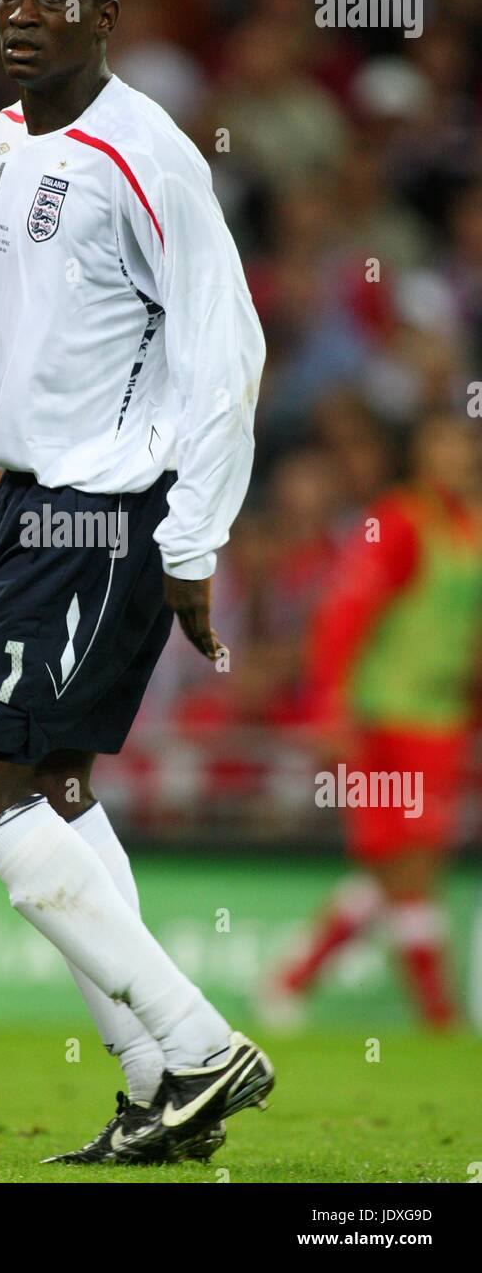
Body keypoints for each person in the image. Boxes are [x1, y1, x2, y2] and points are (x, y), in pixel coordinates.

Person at [0, 0, 271, 1165]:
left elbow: (230, 350)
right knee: (53, 791)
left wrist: (194, 538)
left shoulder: (145, 153)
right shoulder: (3, 141)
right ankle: (163, 1089)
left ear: (106, 17)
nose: (24, 11)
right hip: (29, 506)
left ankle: (198, 1045)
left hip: (106, 519)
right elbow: (17, 362)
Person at [266, 414, 482, 1028]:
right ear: (420, 455)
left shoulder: (469, 528)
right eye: (445, 445)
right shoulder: (396, 523)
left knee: (401, 866)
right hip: (384, 719)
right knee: (408, 866)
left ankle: (292, 980)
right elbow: (342, 615)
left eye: (466, 447)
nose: (459, 459)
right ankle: (439, 1016)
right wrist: (330, 705)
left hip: (442, 722)